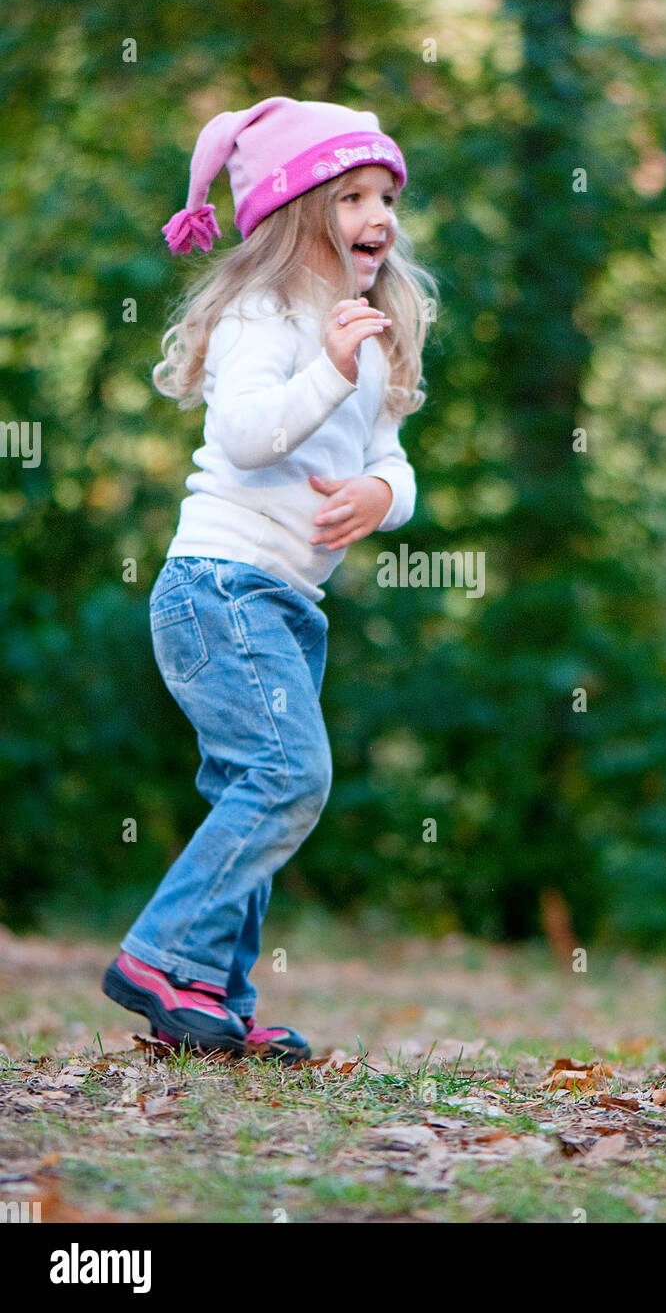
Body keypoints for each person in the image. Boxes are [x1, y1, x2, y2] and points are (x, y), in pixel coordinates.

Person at [102, 95, 438, 1061]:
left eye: (386, 196)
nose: (378, 217)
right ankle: (159, 954)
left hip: (288, 602)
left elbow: (394, 456)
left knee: (253, 791)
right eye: (352, 198)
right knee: (289, 776)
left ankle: (209, 997)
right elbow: (245, 438)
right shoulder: (266, 315)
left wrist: (383, 492)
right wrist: (328, 369)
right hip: (220, 585)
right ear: (296, 213)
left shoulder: (366, 330)